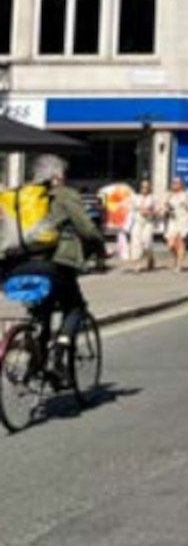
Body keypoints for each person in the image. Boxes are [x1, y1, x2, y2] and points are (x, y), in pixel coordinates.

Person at [3, 155, 103, 385]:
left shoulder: (16, 196)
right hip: (54, 265)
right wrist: (99, 250)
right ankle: (60, 349)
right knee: (76, 306)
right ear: (57, 176)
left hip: (13, 267)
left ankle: (34, 361)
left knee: (42, 310)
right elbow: (87, 229)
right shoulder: (64, 195)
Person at [163, 177, 188, 274]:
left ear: (181, 184)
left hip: (183, 219)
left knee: (180, 243)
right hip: (172, 220)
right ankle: (176, 258)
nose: (174, 184)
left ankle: (179, 265)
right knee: (170, 245)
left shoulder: (186, 195)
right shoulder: (169, 195)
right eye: (173, 182)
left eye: (177, 183)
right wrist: (166, 209)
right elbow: (164, 206)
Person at [129, 178, 158, 272]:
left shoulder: (153, 198)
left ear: (150, 188)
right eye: (142, 187)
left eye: (146, 187)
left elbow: (157, 211)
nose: (144, 189)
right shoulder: (135, 197)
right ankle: (137, 264)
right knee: (136, 243)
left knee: (146, 242)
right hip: (137, 222)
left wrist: (150, 212)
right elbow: (130, 209)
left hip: (148, 222)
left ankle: (150, 258)